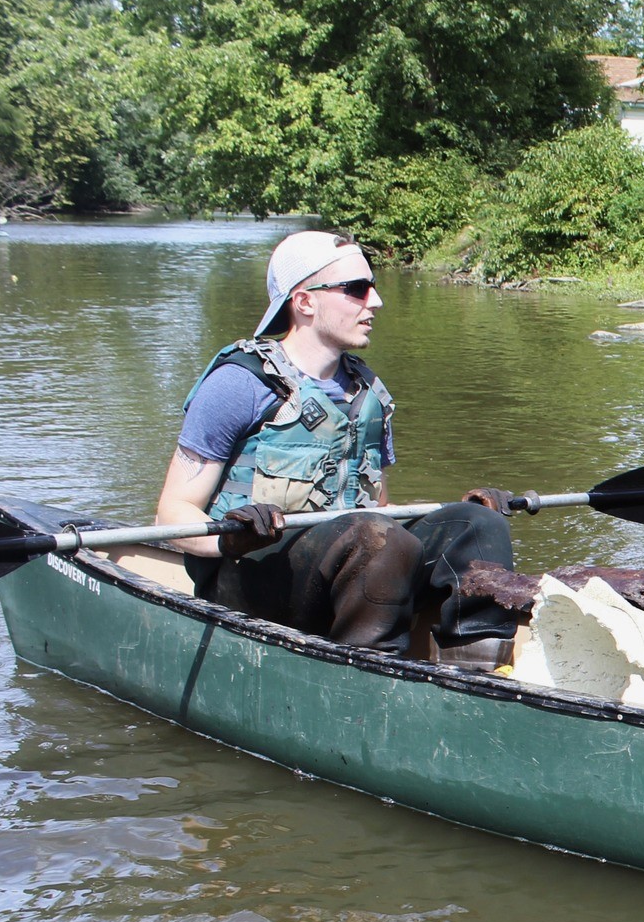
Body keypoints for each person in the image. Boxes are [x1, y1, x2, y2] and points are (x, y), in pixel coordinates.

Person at [155, 230, 521, 669]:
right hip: (251, 575)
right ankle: (371, 675)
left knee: (475, 525)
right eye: (356, 289)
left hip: (357, 568)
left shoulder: (369, 394)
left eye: (372, 287)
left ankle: (480, 675)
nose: (375, 301)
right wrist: (230, 538)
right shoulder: (239, 384)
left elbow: (381, 511)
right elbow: (170, 518)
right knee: (375, 538)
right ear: (304, 301)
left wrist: (453, 512)